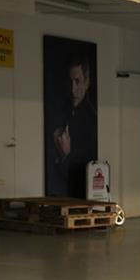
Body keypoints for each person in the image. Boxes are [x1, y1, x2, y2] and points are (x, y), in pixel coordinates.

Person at [46, 56, 97, 197]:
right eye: (70, 82)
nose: (73, 88)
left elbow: (85, 164)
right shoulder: (60, 111)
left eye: (78, 81)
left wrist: (65, 154)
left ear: (87, 82)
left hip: (76, 190)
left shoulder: (91, 120)